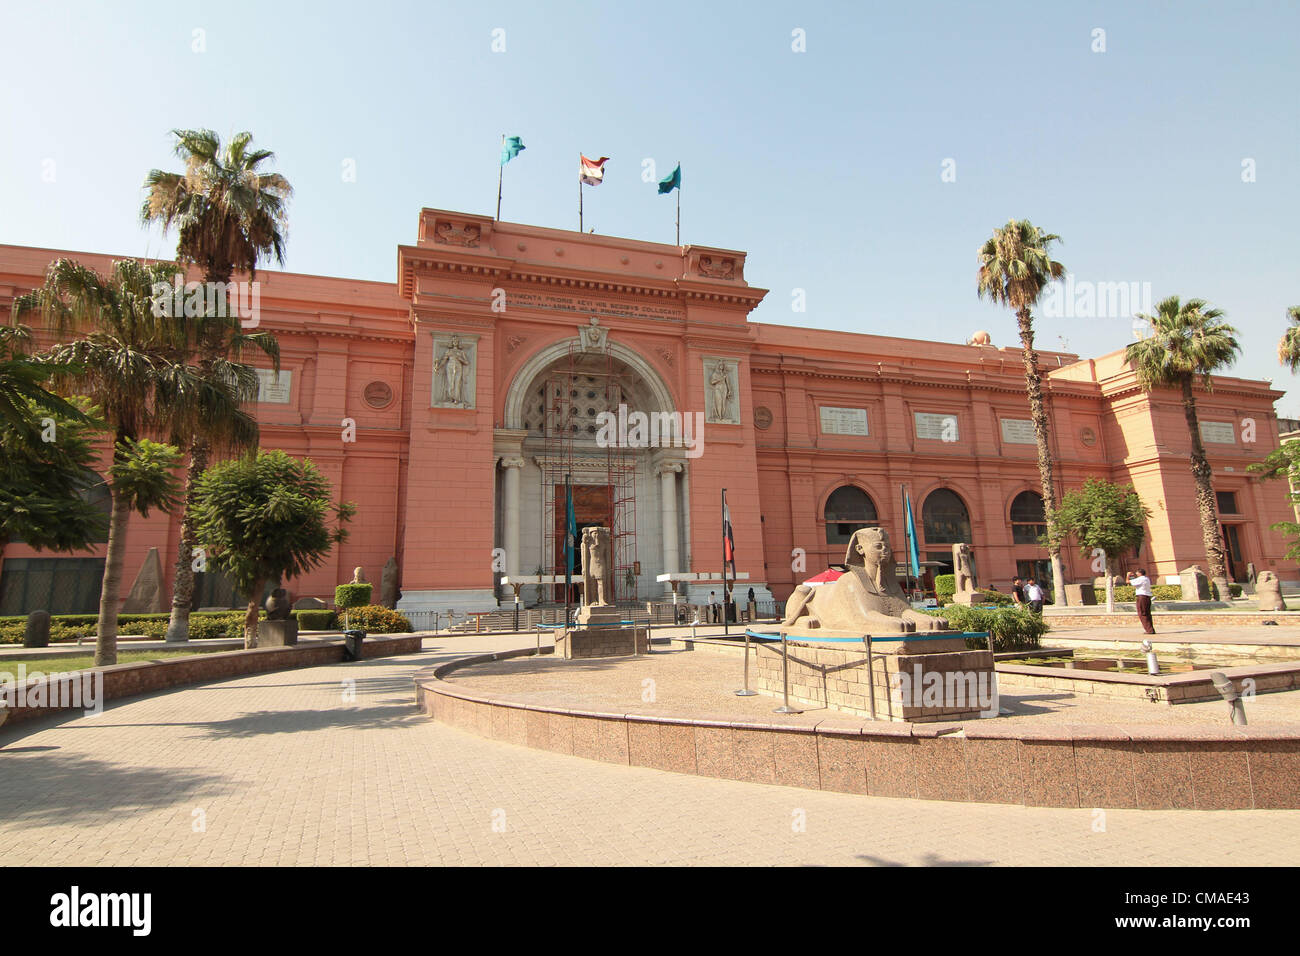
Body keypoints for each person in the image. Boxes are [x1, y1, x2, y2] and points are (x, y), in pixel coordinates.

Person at [1127, 568, 1156, 634]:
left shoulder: (1140, 579)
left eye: (1137, 573)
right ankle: (1150, 629)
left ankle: (1149, 630)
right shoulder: (1146, 578)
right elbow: (1135, 581)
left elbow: (1127, 581)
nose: (1136, 574)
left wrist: (1128, 575)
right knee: (1147, 613)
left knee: (1142, 613)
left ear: (1140, 573)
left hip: (1141, 597)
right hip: (1147, 597)